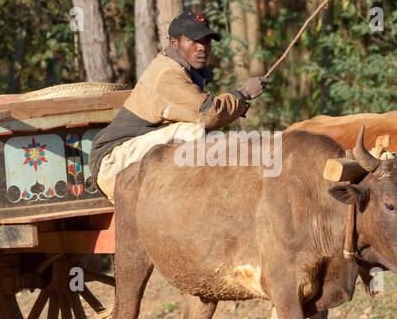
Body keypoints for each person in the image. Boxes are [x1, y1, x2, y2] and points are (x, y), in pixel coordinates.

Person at [91, 11, 266, 200]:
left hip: (129, 155)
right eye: (194, 40)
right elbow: (209, 114)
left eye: (207, 41)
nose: (202, 48)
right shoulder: (167, 75)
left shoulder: (180, 68)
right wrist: (243, 94)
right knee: (192, 130)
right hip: (113, 163)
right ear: (174, 43)